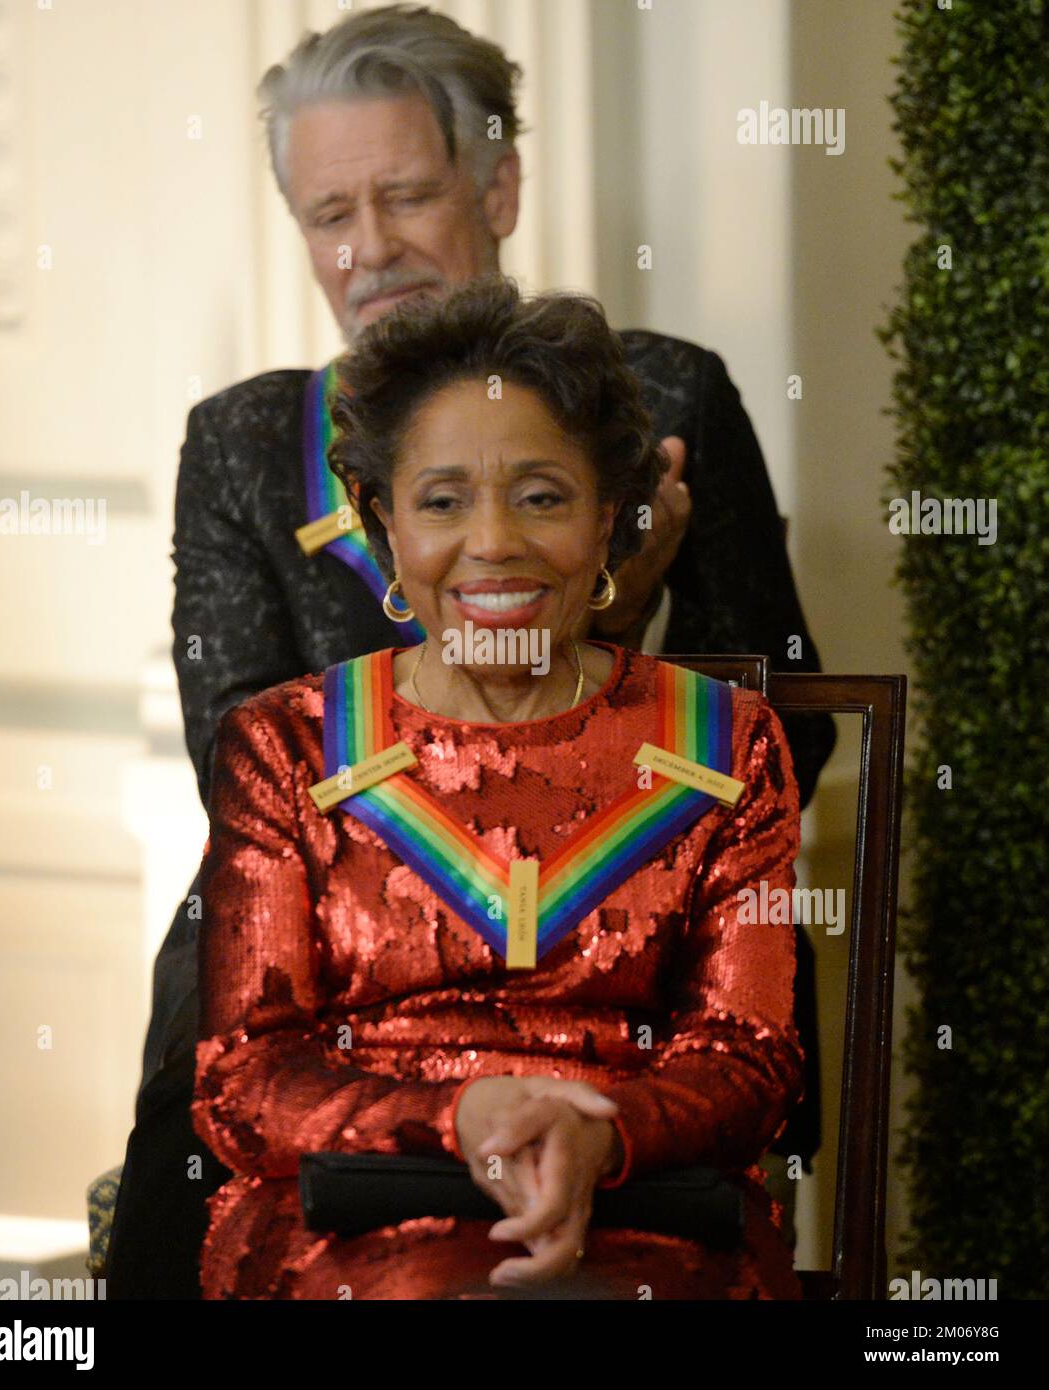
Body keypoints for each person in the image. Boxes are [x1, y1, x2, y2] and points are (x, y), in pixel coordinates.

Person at [105, 3, 831, 1298]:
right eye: (331, 216)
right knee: (206, 1130)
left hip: (634, 952)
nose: (368, 249)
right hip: (317, 954)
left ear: (495, 183)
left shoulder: (662, 396)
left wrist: (588, 654)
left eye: (407, 196)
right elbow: (239, 753)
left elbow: (785, 716)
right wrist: (602, 606)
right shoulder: (244, 439)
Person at [192, 274, 805, 1300]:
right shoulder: (285, 746)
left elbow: (749, 1060)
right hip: (354, 1213)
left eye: (540, 497)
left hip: (643, 1206)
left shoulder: (724, 743)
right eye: (442, 501)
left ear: (607, 518)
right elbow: (241, 1080)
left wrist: (594, 1137)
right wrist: (456, 1120)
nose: (493, 544)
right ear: (383, 524)